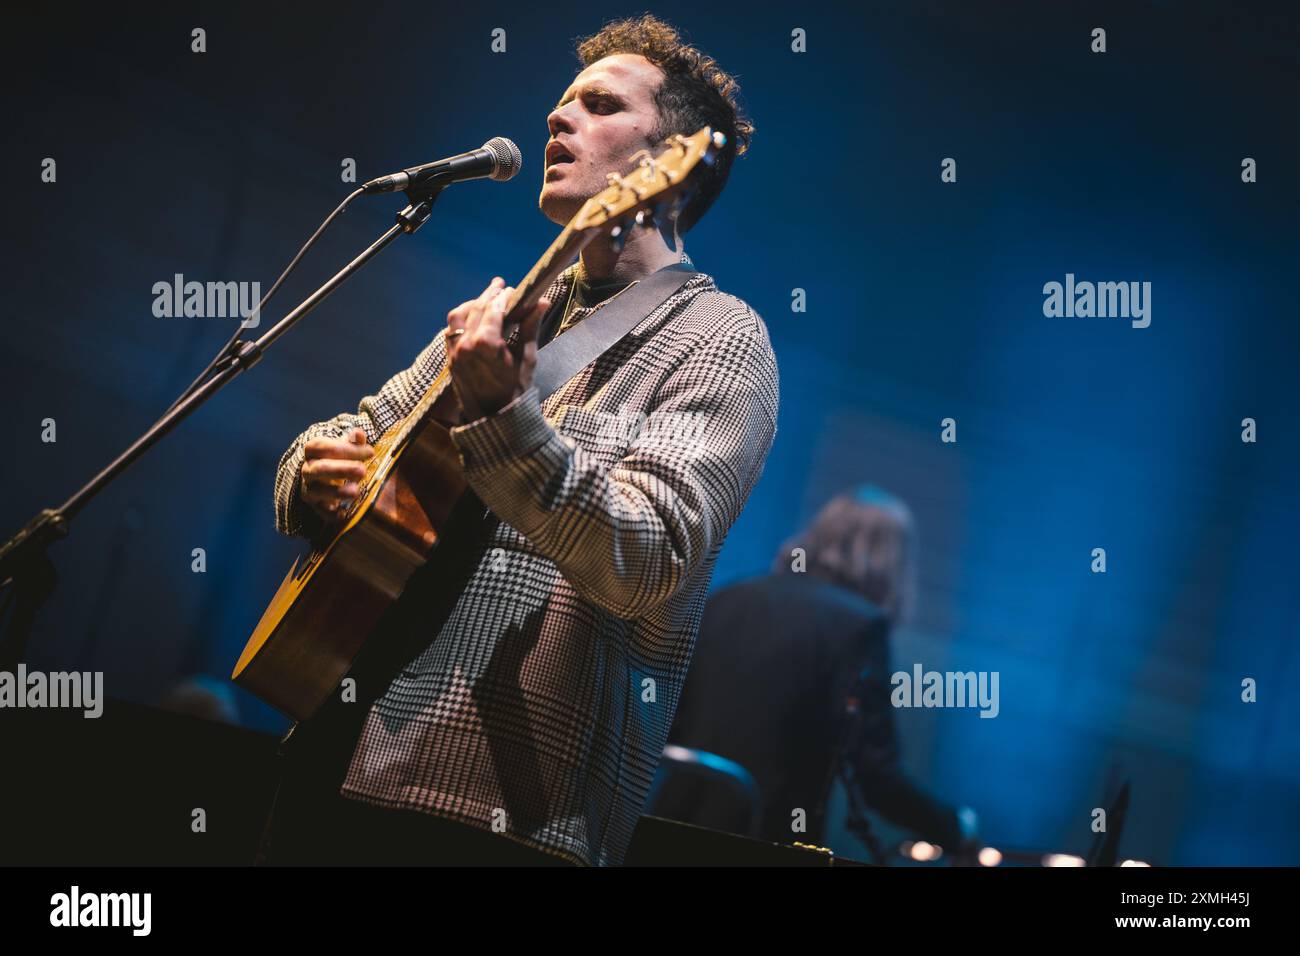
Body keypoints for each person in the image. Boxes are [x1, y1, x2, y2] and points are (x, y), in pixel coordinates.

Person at [257, 14, 779, 867]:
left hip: (490, 802)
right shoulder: (503, 316)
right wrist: (309, 473)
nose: (556, 119)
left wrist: (504, 417)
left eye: (600, 104)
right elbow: (357, 429)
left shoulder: (720, 338)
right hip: (335, 739)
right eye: (559, 104)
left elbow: (647, 562)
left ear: (672, 167)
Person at [659, 486, 979, 860]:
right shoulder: (860, 626)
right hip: (763, 840)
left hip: (666, 827)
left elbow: (668, 718)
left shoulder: (729, 596)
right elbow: (876, 774)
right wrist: (956, 827)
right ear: (889, 560)